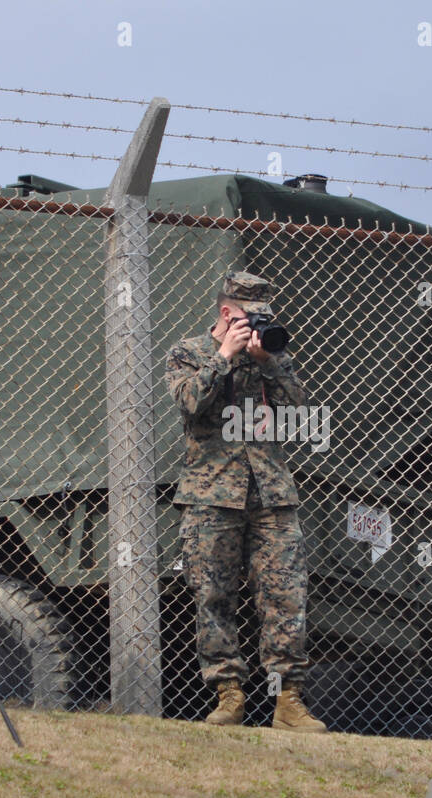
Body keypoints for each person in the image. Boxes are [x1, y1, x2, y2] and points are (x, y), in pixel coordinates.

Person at [165, 271, 326, 732]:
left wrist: (270, 364)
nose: (256, 324)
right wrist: (224, 357)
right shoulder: (188, 352)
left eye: (263, 317)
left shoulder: (273, 355)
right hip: (211, 494)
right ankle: (228, 695)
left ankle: (288, 701)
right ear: (225, 312)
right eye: (248, 316)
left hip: (272, 495)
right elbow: (190, 403)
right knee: (213, 596)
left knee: (285, 597)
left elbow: (300, 410)